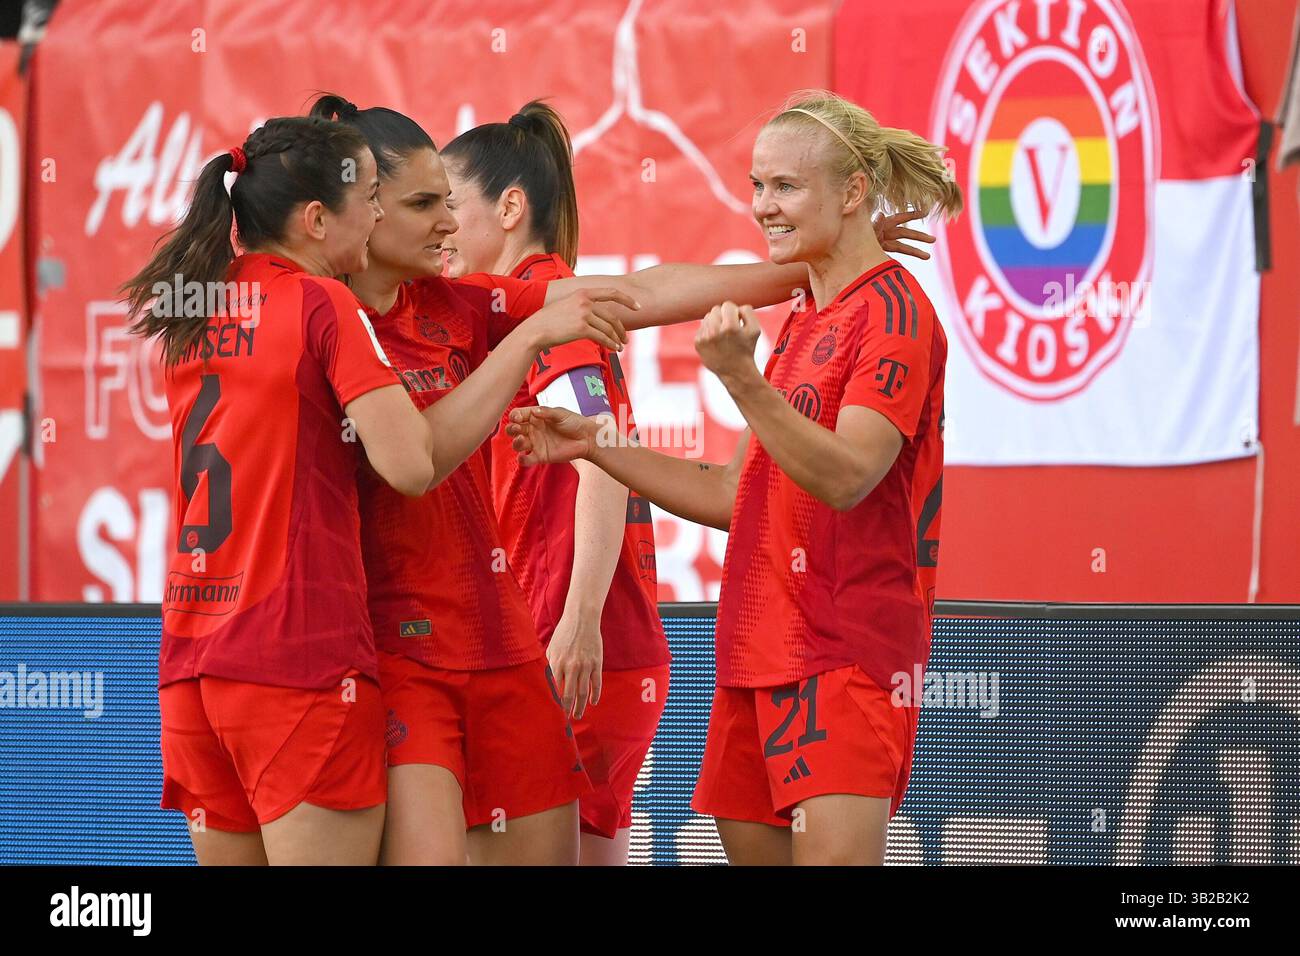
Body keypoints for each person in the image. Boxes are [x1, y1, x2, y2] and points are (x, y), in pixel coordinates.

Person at [506, 90, 961, 865]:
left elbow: (850, 475)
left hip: (847, 660)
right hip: (753, 663)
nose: (762, 206)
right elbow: (730, 493)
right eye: (756, 186)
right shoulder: (807, 315)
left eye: (784, 186)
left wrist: (742, 382)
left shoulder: (895, 312)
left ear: (853, 192)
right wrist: (593, 443)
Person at [122, 116, 444, 865]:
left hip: (193, 665)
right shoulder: (322, 304)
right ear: (316, 218)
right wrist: (522, 347)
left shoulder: (195, 304)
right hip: (297, 662)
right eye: (369, 196)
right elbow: (411, 465)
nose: (378, 213)